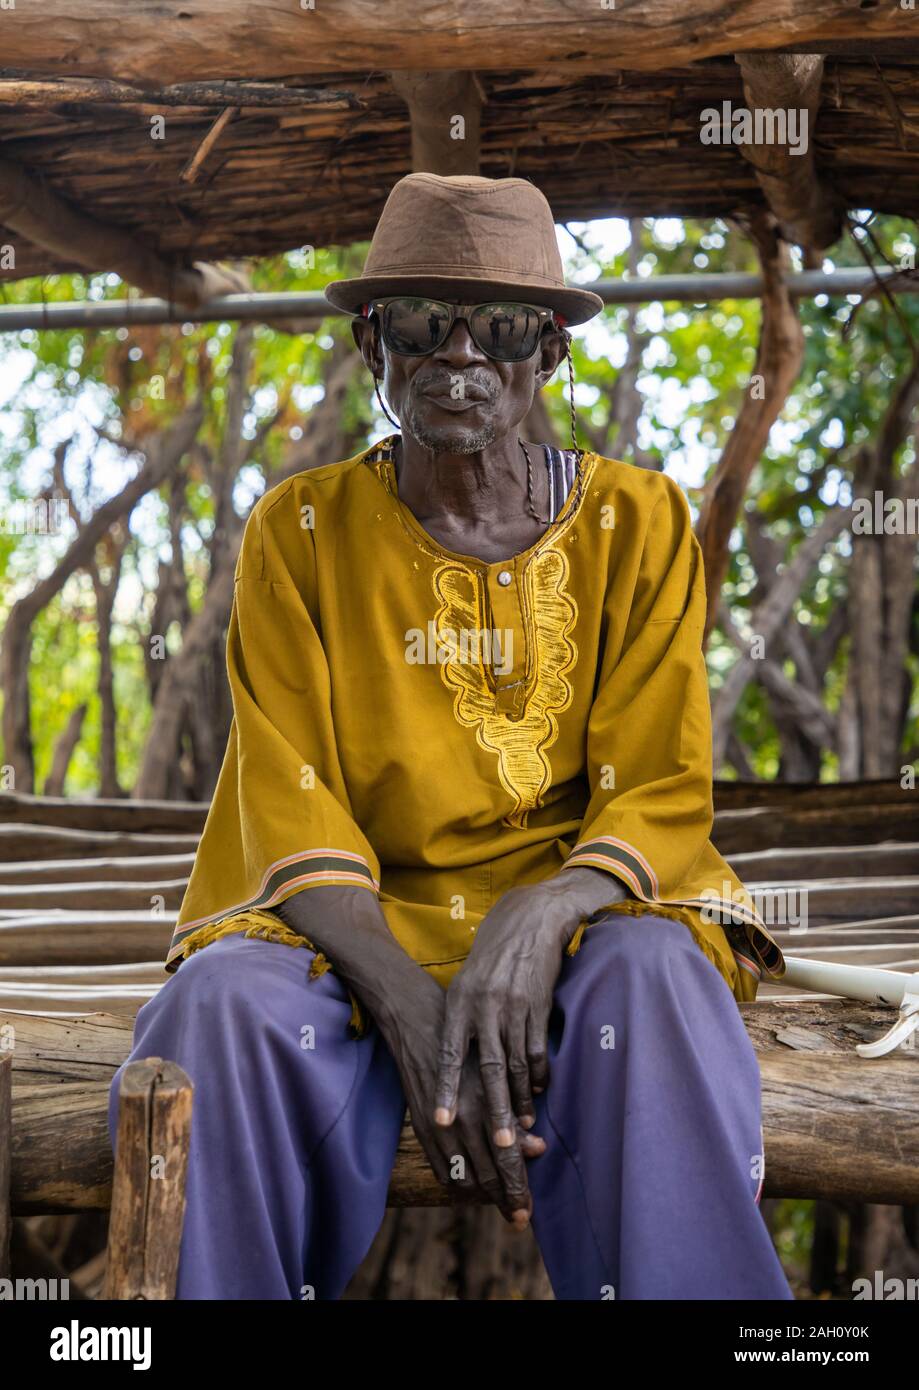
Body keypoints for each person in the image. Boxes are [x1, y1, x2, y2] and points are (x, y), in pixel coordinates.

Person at [109, 173, 793, 1301]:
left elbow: (656, 785)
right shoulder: (300, 530)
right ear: (373, 342)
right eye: (423, 322)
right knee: (218, 1005)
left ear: (550, 352)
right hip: (358, 930)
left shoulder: (641, 521)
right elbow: (288, 794)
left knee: (652, 973)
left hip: (582, 917)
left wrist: (542, 909)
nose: (460, 354)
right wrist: (410, 999)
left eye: (505, 326)